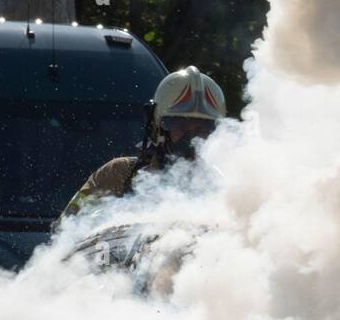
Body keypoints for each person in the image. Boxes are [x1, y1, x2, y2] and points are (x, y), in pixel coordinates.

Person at [61, 65, 226, 219]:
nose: (189, 138)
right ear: (156, 124)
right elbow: (67, 231)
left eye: (202, 129)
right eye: (178, 124)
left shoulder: (223, 187)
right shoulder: (119, 174)